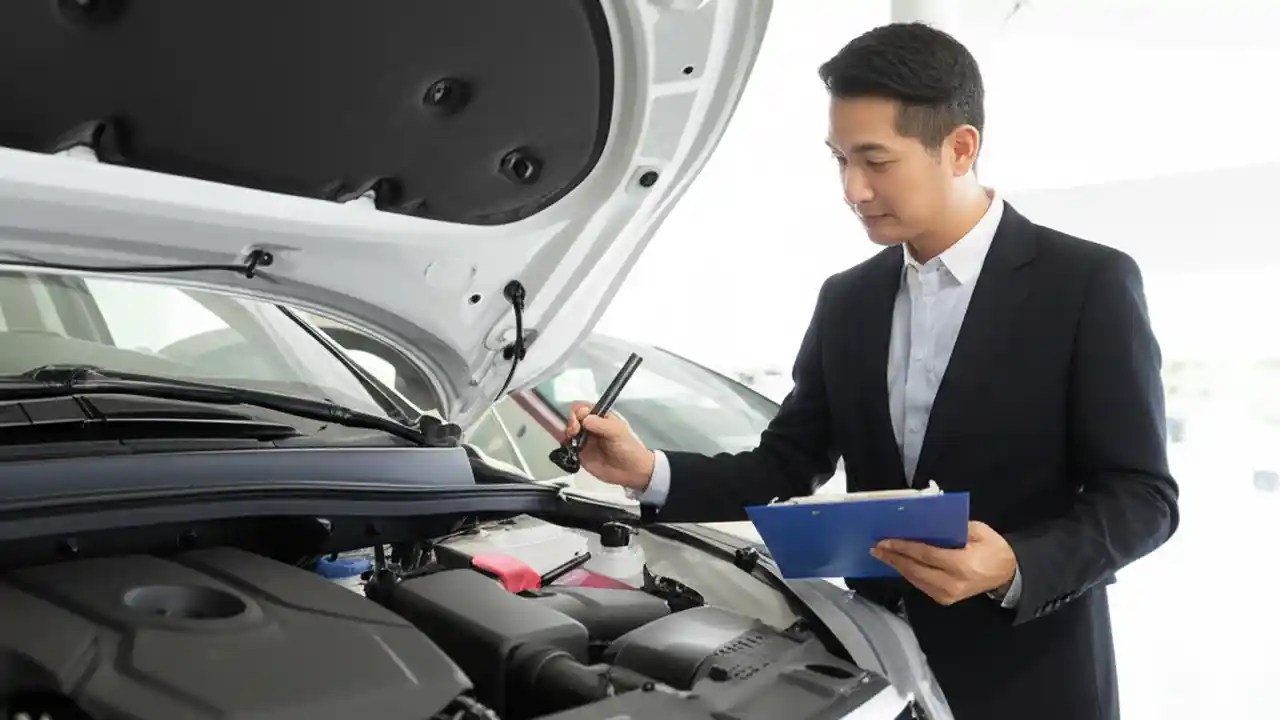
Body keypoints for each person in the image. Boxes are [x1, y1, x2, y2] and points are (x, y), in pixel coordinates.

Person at [561, 22, 1180, 720]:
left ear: (960, 148)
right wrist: (647, 470)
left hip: (1031, 675)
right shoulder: (848, 298)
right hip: (873, 667)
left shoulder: (1086, 283)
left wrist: (1015, 563)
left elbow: (1142, 497)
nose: (853, 189)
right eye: (839, 160)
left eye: (876, 161)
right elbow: (786, 465)